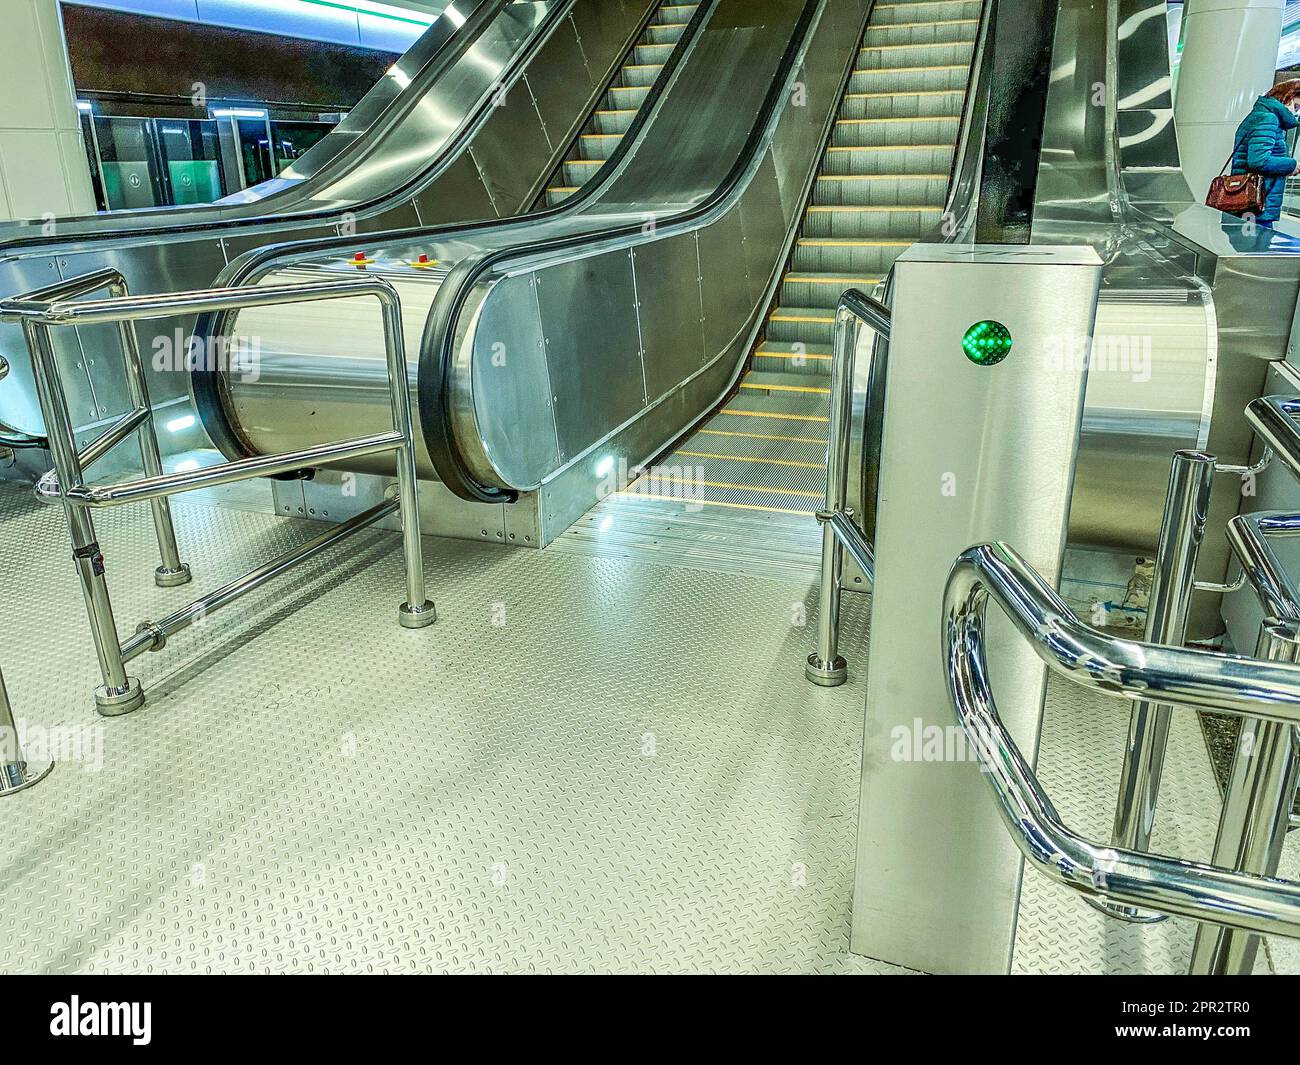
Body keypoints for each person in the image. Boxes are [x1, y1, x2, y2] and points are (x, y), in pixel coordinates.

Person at [1229, 79, 1300, 228]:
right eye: (1297, 106)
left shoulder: (1262, 116)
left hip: (1256, 200)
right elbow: (1258, 160)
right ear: (1287, 98)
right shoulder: (1267, 118)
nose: (1296, 112)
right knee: (1252, 247)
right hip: (1256, 201)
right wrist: (1292, 165)